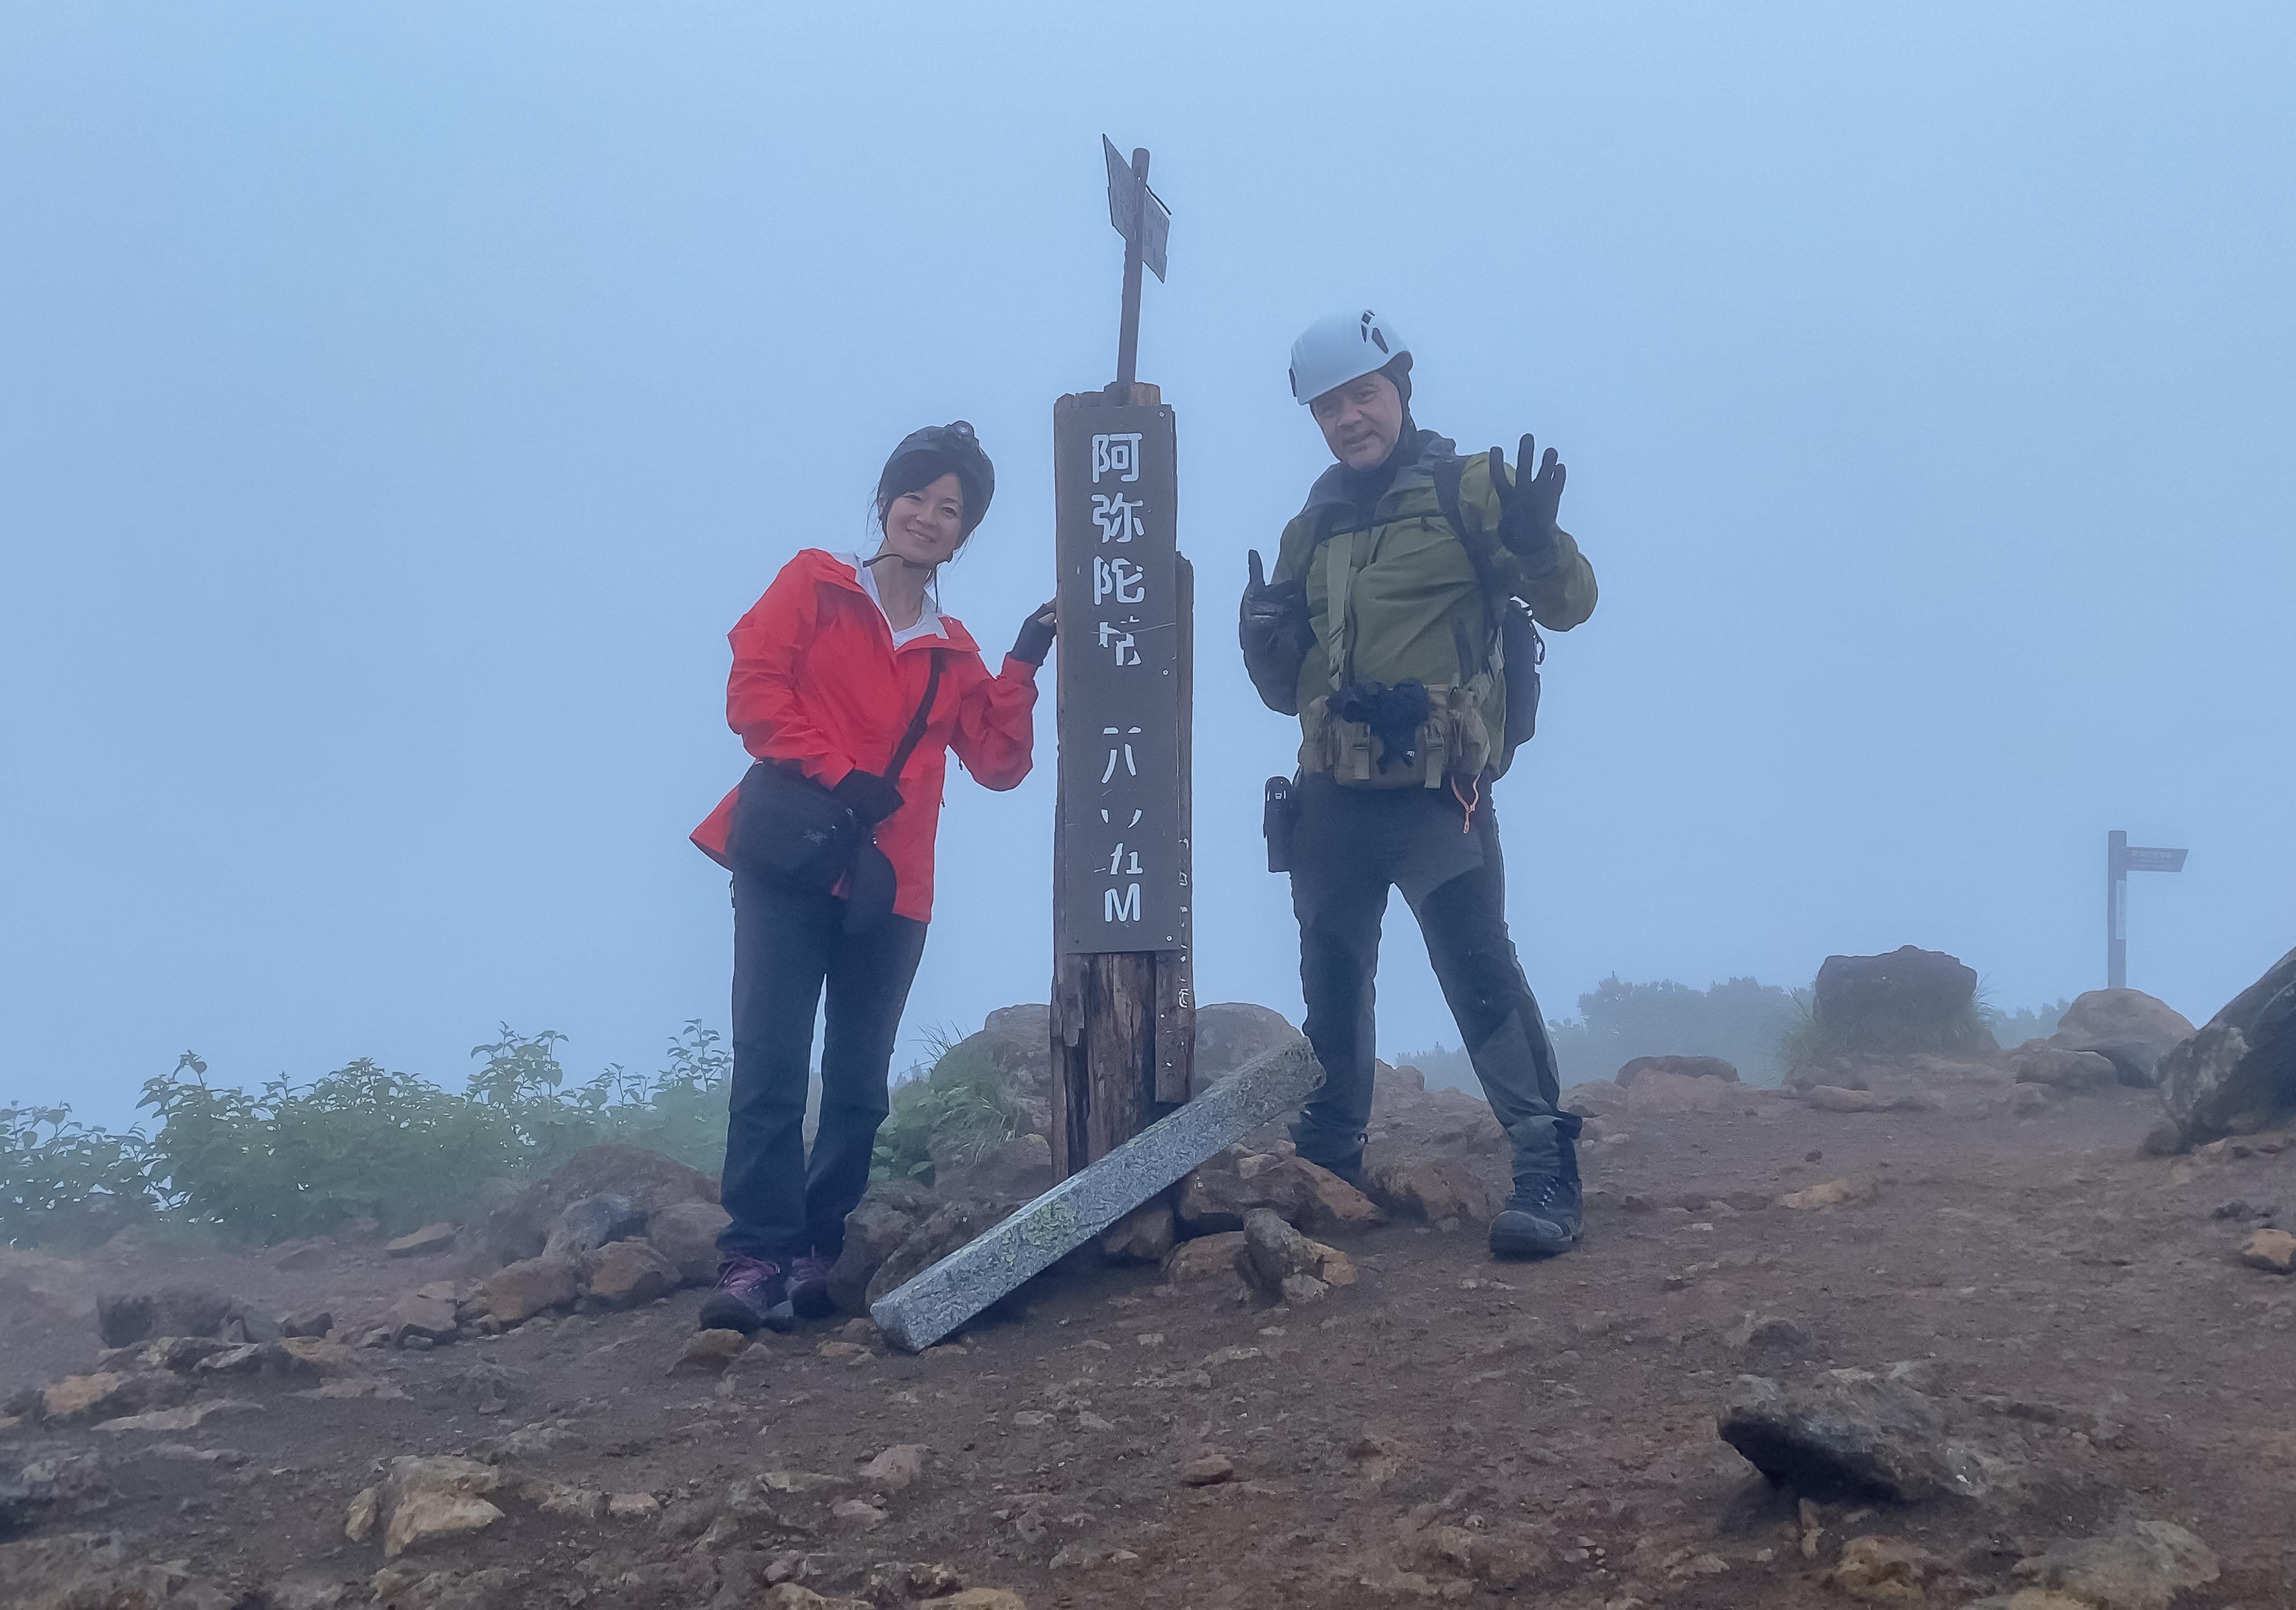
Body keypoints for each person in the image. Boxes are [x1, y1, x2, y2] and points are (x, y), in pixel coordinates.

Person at [1241, 310, 1599, 1260]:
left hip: (1440, 795)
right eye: (1330, 407)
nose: (1349, 418)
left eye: (1364, 395)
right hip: (1331, 795)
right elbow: (1283, 691)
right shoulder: (1311, 525)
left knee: (1478, 971)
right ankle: (1329, 1165)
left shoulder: (1469, 488)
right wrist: (1264, 644)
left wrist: (1538, 543)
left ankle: (1545, 1165)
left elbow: (1572, 604)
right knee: (1331, 981)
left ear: (1400, 388)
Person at [689, 421, 1056, 1330]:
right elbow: (755, 691)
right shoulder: (815, 585)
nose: (928, 517)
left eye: (951, 509)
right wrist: (834, 770)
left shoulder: (954, 653)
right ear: (886, 502)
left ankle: (822, 1251)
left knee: (859, 1082)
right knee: (771, 1062)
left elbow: (999, 762)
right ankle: (756, 1257)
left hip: (894, 886)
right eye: (916, 497)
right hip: (789, 862)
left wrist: (1022, 661)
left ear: (965, 535)